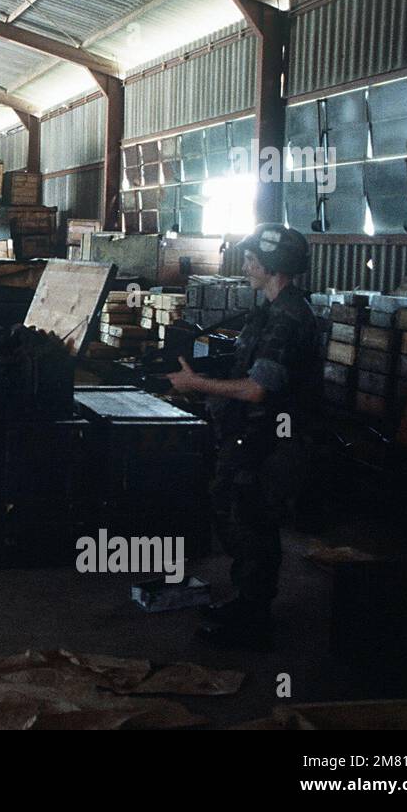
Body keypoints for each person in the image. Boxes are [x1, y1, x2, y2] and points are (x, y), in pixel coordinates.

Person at [165, 223, 319, 650]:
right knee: (230, 506)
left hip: (277, 440)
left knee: (252, 517)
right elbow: (243, 375)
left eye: (252, 259)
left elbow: (257, 389)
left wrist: (196, 386)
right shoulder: (268, 310)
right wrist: (201, 380)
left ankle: (255, 614)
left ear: (273, 266)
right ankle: (247, 597)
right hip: (253, 434)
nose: (246, 265)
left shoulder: (288, 318)